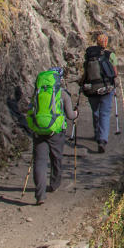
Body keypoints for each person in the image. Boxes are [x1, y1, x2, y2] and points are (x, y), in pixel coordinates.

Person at [26, 65, 76, 207]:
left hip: (39, 130)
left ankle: (40, 195)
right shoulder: (63, 94)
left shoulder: (38, 92)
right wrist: (76, 113)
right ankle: (54, 184)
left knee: (40, 162)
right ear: (59, 79)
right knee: (56, 158)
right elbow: (70, 115)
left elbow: (30, 110)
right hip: (56, 132)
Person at [81, 33, 118, 154]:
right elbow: (115, 73)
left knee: (96, 111)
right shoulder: (110, 55)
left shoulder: (90, 55)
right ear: (106, 43)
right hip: (106, 87)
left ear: (97, 42)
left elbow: (85, 73)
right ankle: (102, 140)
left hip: (91, 88)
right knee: (105, 113)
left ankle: (97, 134)